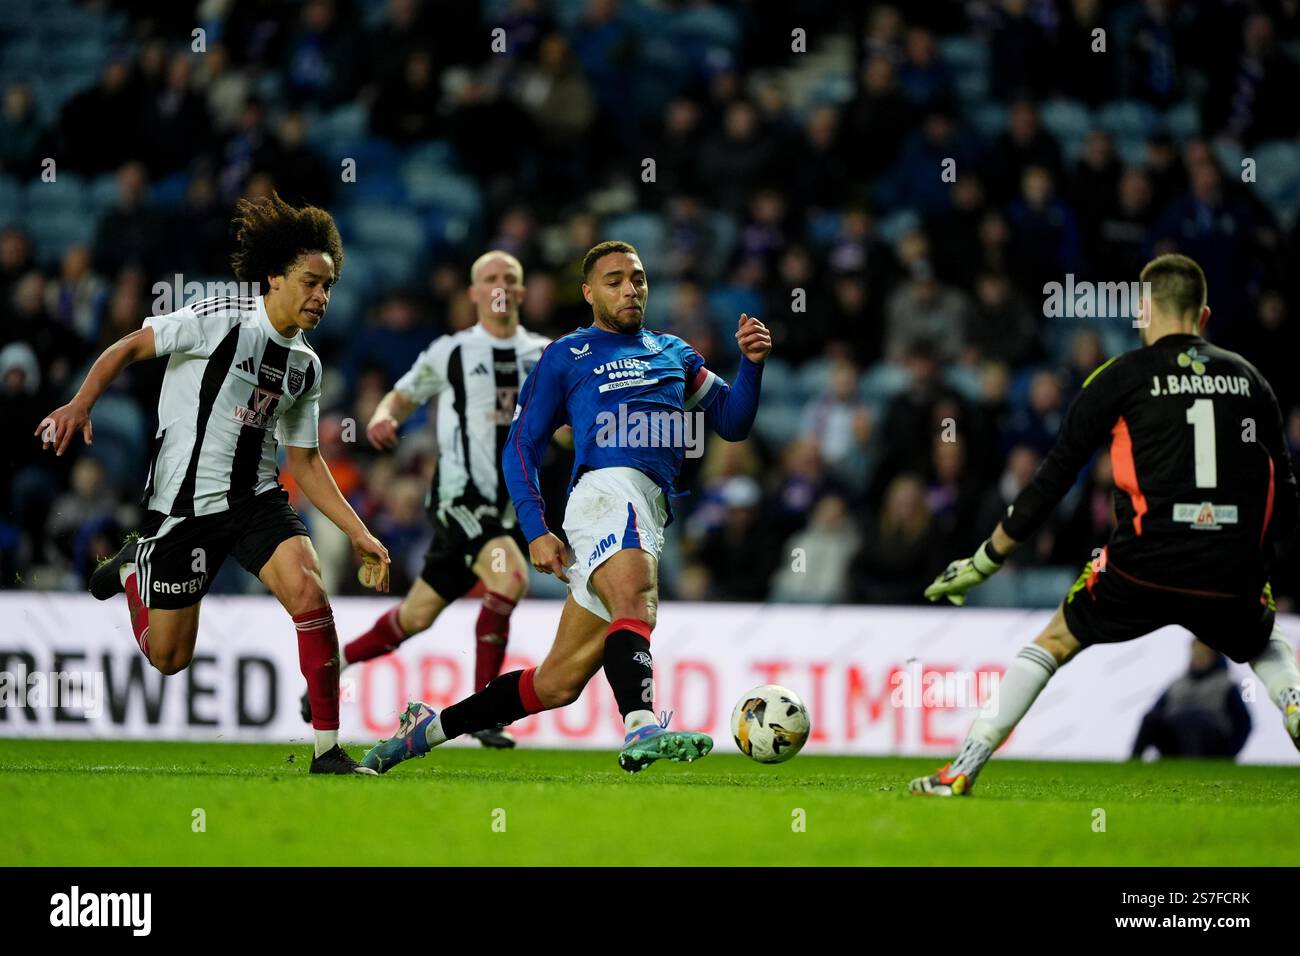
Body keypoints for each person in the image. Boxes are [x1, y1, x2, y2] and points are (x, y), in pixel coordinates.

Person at [361, 240, 769, 773]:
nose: (630, 288)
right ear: (588, 292)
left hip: (650, 505)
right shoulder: (568, 355)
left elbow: (732, 423)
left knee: (556, 684)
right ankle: (641, 725)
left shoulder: (674, 352)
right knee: (636, 600)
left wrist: (752, 364)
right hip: (605, 492)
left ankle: (423, 731)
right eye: (615, 279)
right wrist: (535, 528)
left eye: (638, 279)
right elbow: (521, 447)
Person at [915, 253, 1300, 796]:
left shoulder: (1120, 377)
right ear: (1204, 315)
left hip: (1145, 564)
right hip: (1229, 562)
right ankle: (1295, 703)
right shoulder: (1250, 379)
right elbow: (1283, 492)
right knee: (1265, 644)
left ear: (1142, 310)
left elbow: (1052, 479)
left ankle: (962, 768)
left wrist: (987, 559)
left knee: (1053, 641)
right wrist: (1259, 565)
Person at [36, 192, 391, 775]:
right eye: (310, 282)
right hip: (185, 506)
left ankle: (327, 751)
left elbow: (304, 461)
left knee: (309, 593)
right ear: (274, 278)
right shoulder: (221, 317)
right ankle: (134, 569)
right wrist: (79, 404)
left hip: (256, 500)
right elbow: (130, 347)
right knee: (170, 659)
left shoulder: (305, 365)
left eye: (328, 287)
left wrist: (359, 532)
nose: (321, 297)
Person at [302, 250, 559, 749]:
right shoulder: (452, 351)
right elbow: (404, 394)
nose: (500, 285)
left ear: (523, 293)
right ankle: (485, 711)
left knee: (415, 617)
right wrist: (383, 416)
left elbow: (565, 426)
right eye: (490, 278)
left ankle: (330, 671)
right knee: (510, 579)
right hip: (460, 499)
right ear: (473, 294)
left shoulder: (547, 355)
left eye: (510, 277)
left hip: (513, 509)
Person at [1131, 639, 1252, 759]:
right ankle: (1133, 764)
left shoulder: (1226, 685)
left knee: (1194, 718)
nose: (1198, 656)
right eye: (1195, 652)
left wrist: (1228, 754)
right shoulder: (1177, 684)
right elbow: (1156, 711)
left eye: (1203, 652)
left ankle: (1193, 766)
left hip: (1209, 744)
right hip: (1175, 740)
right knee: (1150, 719)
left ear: (1214, 656)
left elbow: (1243, 723)